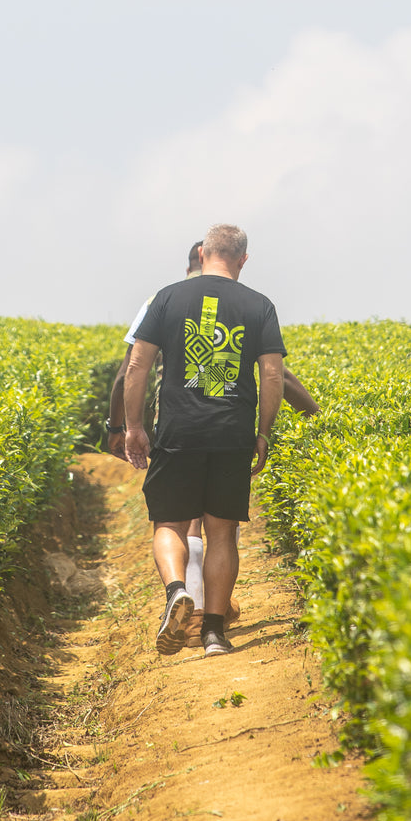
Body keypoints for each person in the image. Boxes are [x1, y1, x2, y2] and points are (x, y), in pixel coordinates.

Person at [107, 238, 319, 644]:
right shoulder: (256, 304)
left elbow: (132, 368)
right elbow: (276, 375)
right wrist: (273, 430)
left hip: (177, 428)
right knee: (221, 530)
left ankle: (180, 594)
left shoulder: (163, 299)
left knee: (174, 522)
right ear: (242, 259)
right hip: (231, 430)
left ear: (201, 257)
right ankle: (213, 632)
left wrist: (126, 427)